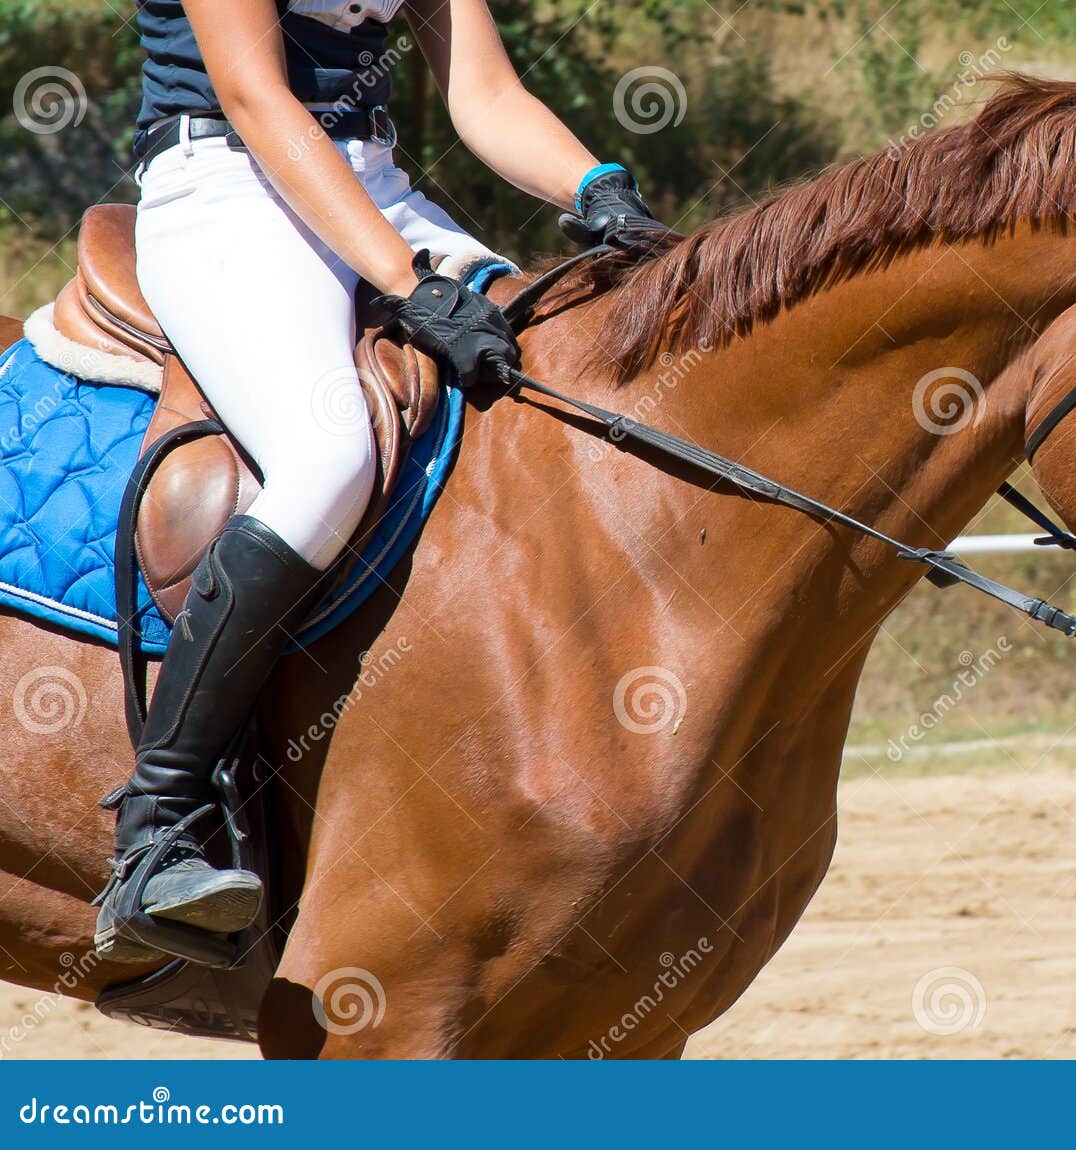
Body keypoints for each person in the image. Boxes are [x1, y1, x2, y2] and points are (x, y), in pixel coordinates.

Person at [94, 0, 667, 963]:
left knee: (553, 381)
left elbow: (484, 94)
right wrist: (405, 280)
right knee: (329, 463)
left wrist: (600, 187)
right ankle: (160, 823)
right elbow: (253, 93)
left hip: (371, 184)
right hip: (227, 184)